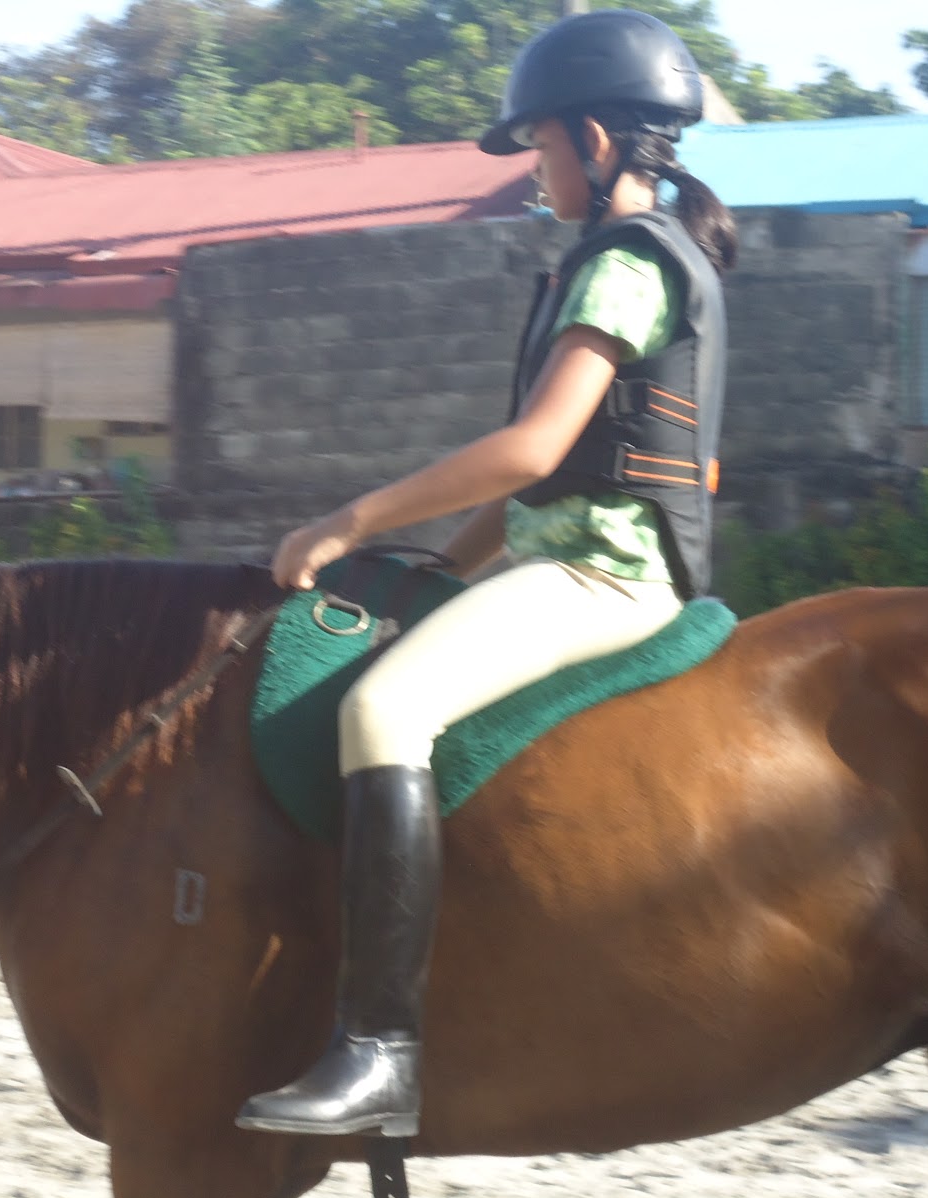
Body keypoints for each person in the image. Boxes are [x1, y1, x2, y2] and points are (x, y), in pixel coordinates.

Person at [235, 9, 736, 1139]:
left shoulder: (624, 265)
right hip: (563, 558)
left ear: (601, 141)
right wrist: (433, 568)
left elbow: (531, 451)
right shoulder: (626, 257)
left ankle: (380, 1052)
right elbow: (544, 495)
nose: (534, 172)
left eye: (544, 147)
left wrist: (347, 517)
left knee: (383, 710)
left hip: (609, 579)